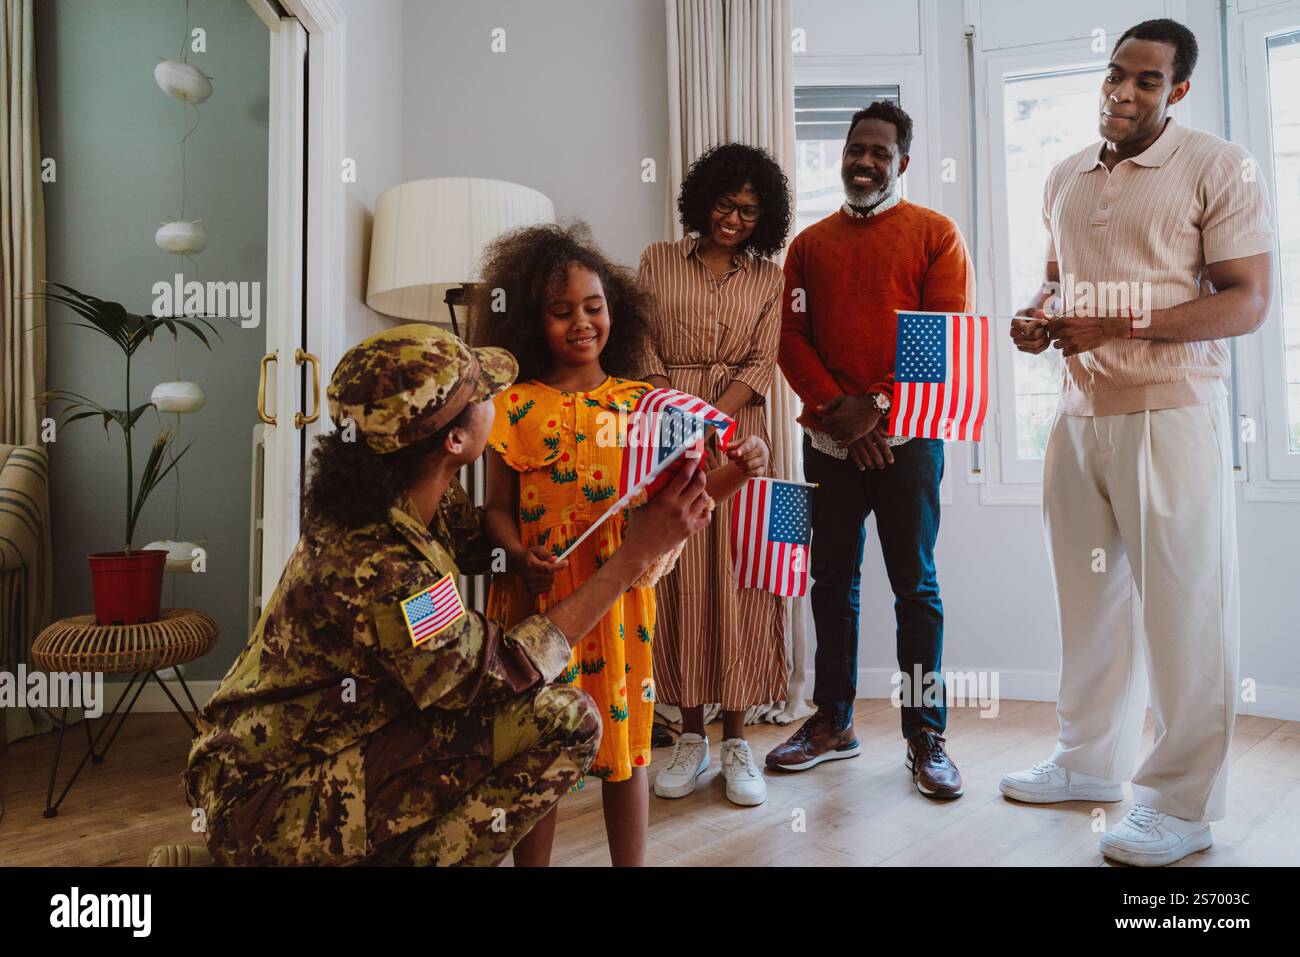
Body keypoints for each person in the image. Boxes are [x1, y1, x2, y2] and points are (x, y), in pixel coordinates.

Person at [183, 323, 714, 865]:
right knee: (563, 718)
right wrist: (634, 555)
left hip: (301, 754)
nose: (495, 398)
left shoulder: (404, 496)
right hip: (263, 804)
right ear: (454, 439)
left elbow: (484, 542)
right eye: (482, 392)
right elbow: (501, 672)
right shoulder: (384, 567)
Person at [1002, 18, 1273, 866]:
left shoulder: (1218, 165)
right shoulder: (1065, 176)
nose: (1124, 91)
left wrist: (1124, 320)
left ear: (1178, 90)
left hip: (1172, 415)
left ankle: (1180, 804)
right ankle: (1087, 764)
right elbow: (1055, 279)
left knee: (1186, 613)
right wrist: (1037, 317)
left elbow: (1249, 300)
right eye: (1117, 74)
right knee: (1088, 609)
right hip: (1079, 417)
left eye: (1147, 81)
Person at [476, 222, 768, 866]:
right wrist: (520, 557)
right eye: (560, 312)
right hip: (538, 602)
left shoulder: (646, 406)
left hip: (618, 609)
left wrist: (742, 465)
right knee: (538, 751)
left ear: (616, 310)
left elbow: (688, 498)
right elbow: (496, 510)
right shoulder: (513, 406)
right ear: (533, 320)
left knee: (625, 748)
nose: (581, 323)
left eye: (593, 306)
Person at [772, 100, 974, 799]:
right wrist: (842, 415)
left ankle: (925, 734)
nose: (864, 162)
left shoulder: (935, 234)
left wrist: (879, 410)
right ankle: (833, 721)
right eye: (856, 149)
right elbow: (789, 340)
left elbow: (941, 336)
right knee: (831, 583)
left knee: (915, 587)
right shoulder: (808, 245)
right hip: (829, 441)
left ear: (902, 163)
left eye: (879, 153)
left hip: (908, 442)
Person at [638, 143, 793, 808]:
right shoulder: (656, 259)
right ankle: (689, 734)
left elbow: (763, 365)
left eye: (750, 212)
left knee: (740, 584)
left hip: (739, 443)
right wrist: (678, 417)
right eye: (727, 205)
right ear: (703, 201)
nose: (735, 219)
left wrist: (709, 420)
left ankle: (737, 740)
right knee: (678, 578)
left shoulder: (770, 278)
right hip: (665, 433)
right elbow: (639, 343)